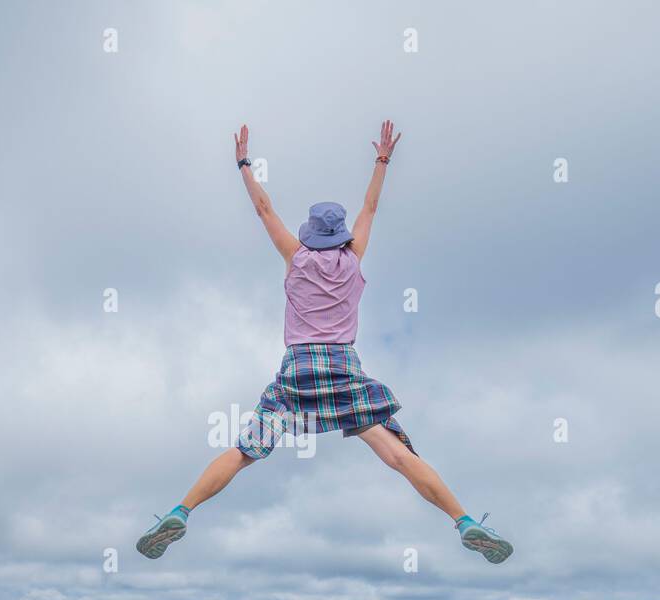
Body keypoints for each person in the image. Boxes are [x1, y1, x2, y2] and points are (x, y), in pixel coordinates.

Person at [136, 121, 512, 565]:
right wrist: (383, 159)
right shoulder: (354, 258)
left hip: (298, 369)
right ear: (342, 235)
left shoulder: (296, 257)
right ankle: (464, 521)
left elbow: (263, 209)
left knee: (244, 450)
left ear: (311, 232)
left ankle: (182, 511)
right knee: (395, 452)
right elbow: (371, 207)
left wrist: (243, 163)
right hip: (343, 366)